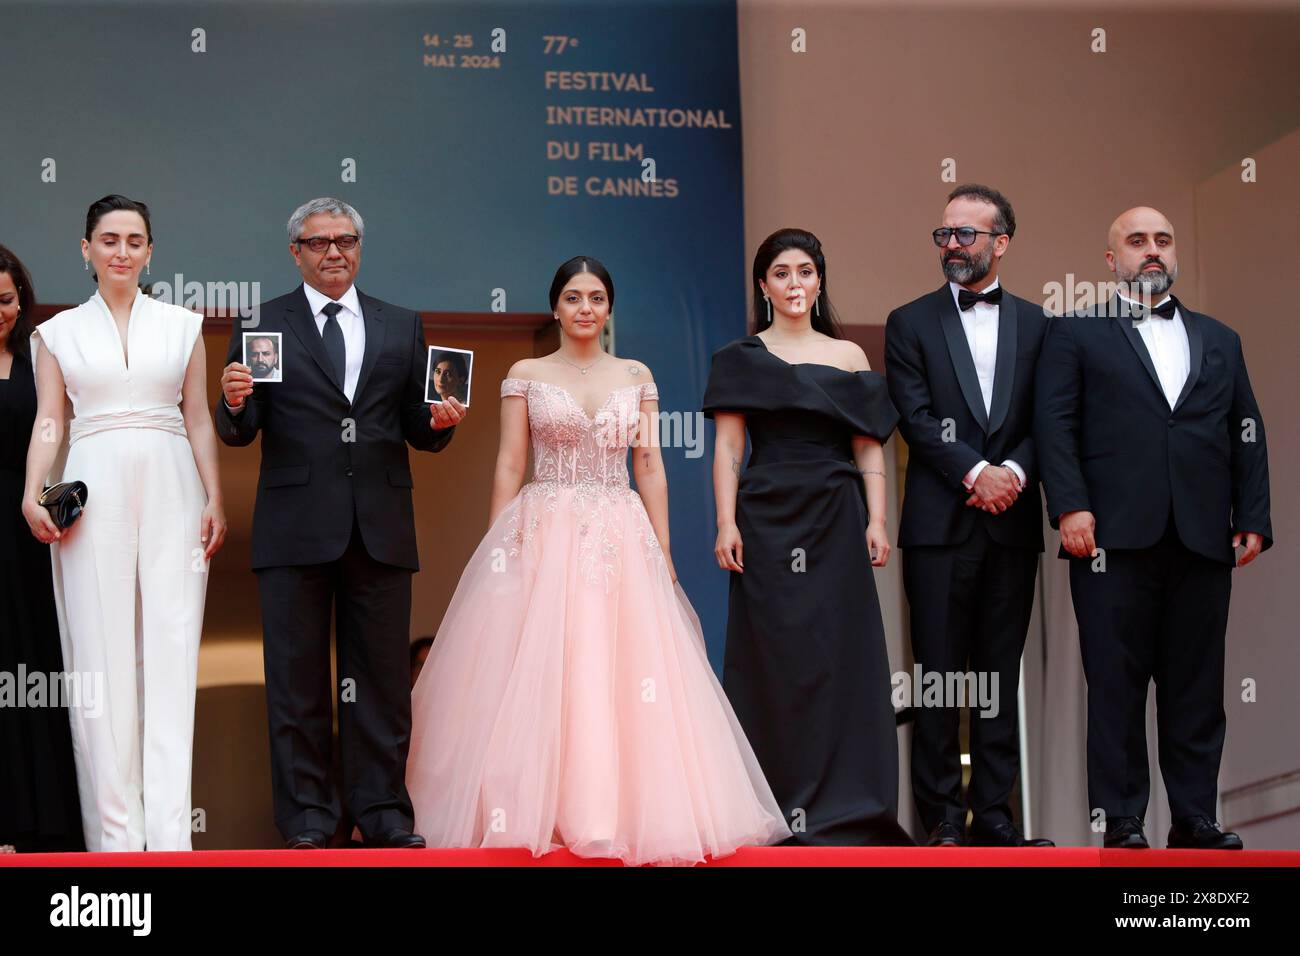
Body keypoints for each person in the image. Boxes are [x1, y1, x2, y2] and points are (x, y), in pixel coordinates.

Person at [405, 256, 789, 865]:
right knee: (540, 665)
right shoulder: (525, 372)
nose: (586, 308)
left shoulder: (636, 374)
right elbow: (510, 462)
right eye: (574, 297)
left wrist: (662, 548)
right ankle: (534, 811)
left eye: (597, 298)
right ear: (555, 306)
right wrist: (499, 544)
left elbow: (650, 465)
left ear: (609, 309)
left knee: (616, 669)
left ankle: (611, 815)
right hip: (543, 522)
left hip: (618, 526)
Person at [216, 198, 464, 850]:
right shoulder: (264, 321)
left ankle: (383, 813)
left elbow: (416, 424)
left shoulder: (400, 325)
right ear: (294, 251)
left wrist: (437, 425)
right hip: (293, 529)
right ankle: (308, 819)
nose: (334, 252)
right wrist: (234, 402)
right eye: (319, 241)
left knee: (381, 684)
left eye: (346, 240)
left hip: (379, 527)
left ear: (359, 247)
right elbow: (242, 429)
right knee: (296, 687)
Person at [1035, 206, 1272, 850]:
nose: (1152, 251)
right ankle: (1124, 821)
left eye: (1163, 240)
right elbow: (1055, 428)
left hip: (1201, 536)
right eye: (1136, 241)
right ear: (1111, 260)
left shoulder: (1220, 338)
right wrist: (1069, 506)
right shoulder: (1074, 332)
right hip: (1108, 536)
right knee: (1115, 682)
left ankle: (1195, 819)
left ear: (1176, 256)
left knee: (1197, 685)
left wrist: (1252, 516)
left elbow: (1245, 430)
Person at [22, 196, 227, 851]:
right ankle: (115, 838)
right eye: (108, 240)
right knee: (100, 655)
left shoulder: (183, 325)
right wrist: (33, 492)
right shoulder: (55, 334)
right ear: (85, 249)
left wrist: (215, 498)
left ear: (150, 250)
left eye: (134, 240)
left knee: (170, 651)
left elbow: (198, 417)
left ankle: (170, 838)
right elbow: (50, 420)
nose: (121, 251)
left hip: (174, 482)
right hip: (93, 483)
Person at [703, 228, 910, 846]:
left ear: (819, 281)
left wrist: (877, 518)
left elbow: (869, 445)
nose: (795, 284)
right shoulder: (738, 357)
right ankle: (774, 805)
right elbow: (729, 448)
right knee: (775, 658)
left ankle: (848, 808)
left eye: (806, 272)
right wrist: (725, 521)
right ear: (764, 286)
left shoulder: (849, 358)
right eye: (782, 274)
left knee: (838, 655)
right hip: (765, 518)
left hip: (835, 515)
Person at [884, 185, 1054, 848]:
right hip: (937, 529)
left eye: (965, 234)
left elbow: (1053, 420)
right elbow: (915, 418)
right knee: (937, 677)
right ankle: (942, 823)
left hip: (1010, 525)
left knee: (999, 676)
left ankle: (998, 821)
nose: (951, 245)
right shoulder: (908, 322)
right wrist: (973, 472)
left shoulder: (1041, 326)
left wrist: (1010, 473)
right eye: (944, 234)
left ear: (1001, 242)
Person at [0, 244, 84, 853]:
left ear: (21, 298)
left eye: (5, 301)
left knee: (36, 670)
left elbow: (63, 433)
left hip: (29, 529)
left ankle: (42, 829)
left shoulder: (41, 353)